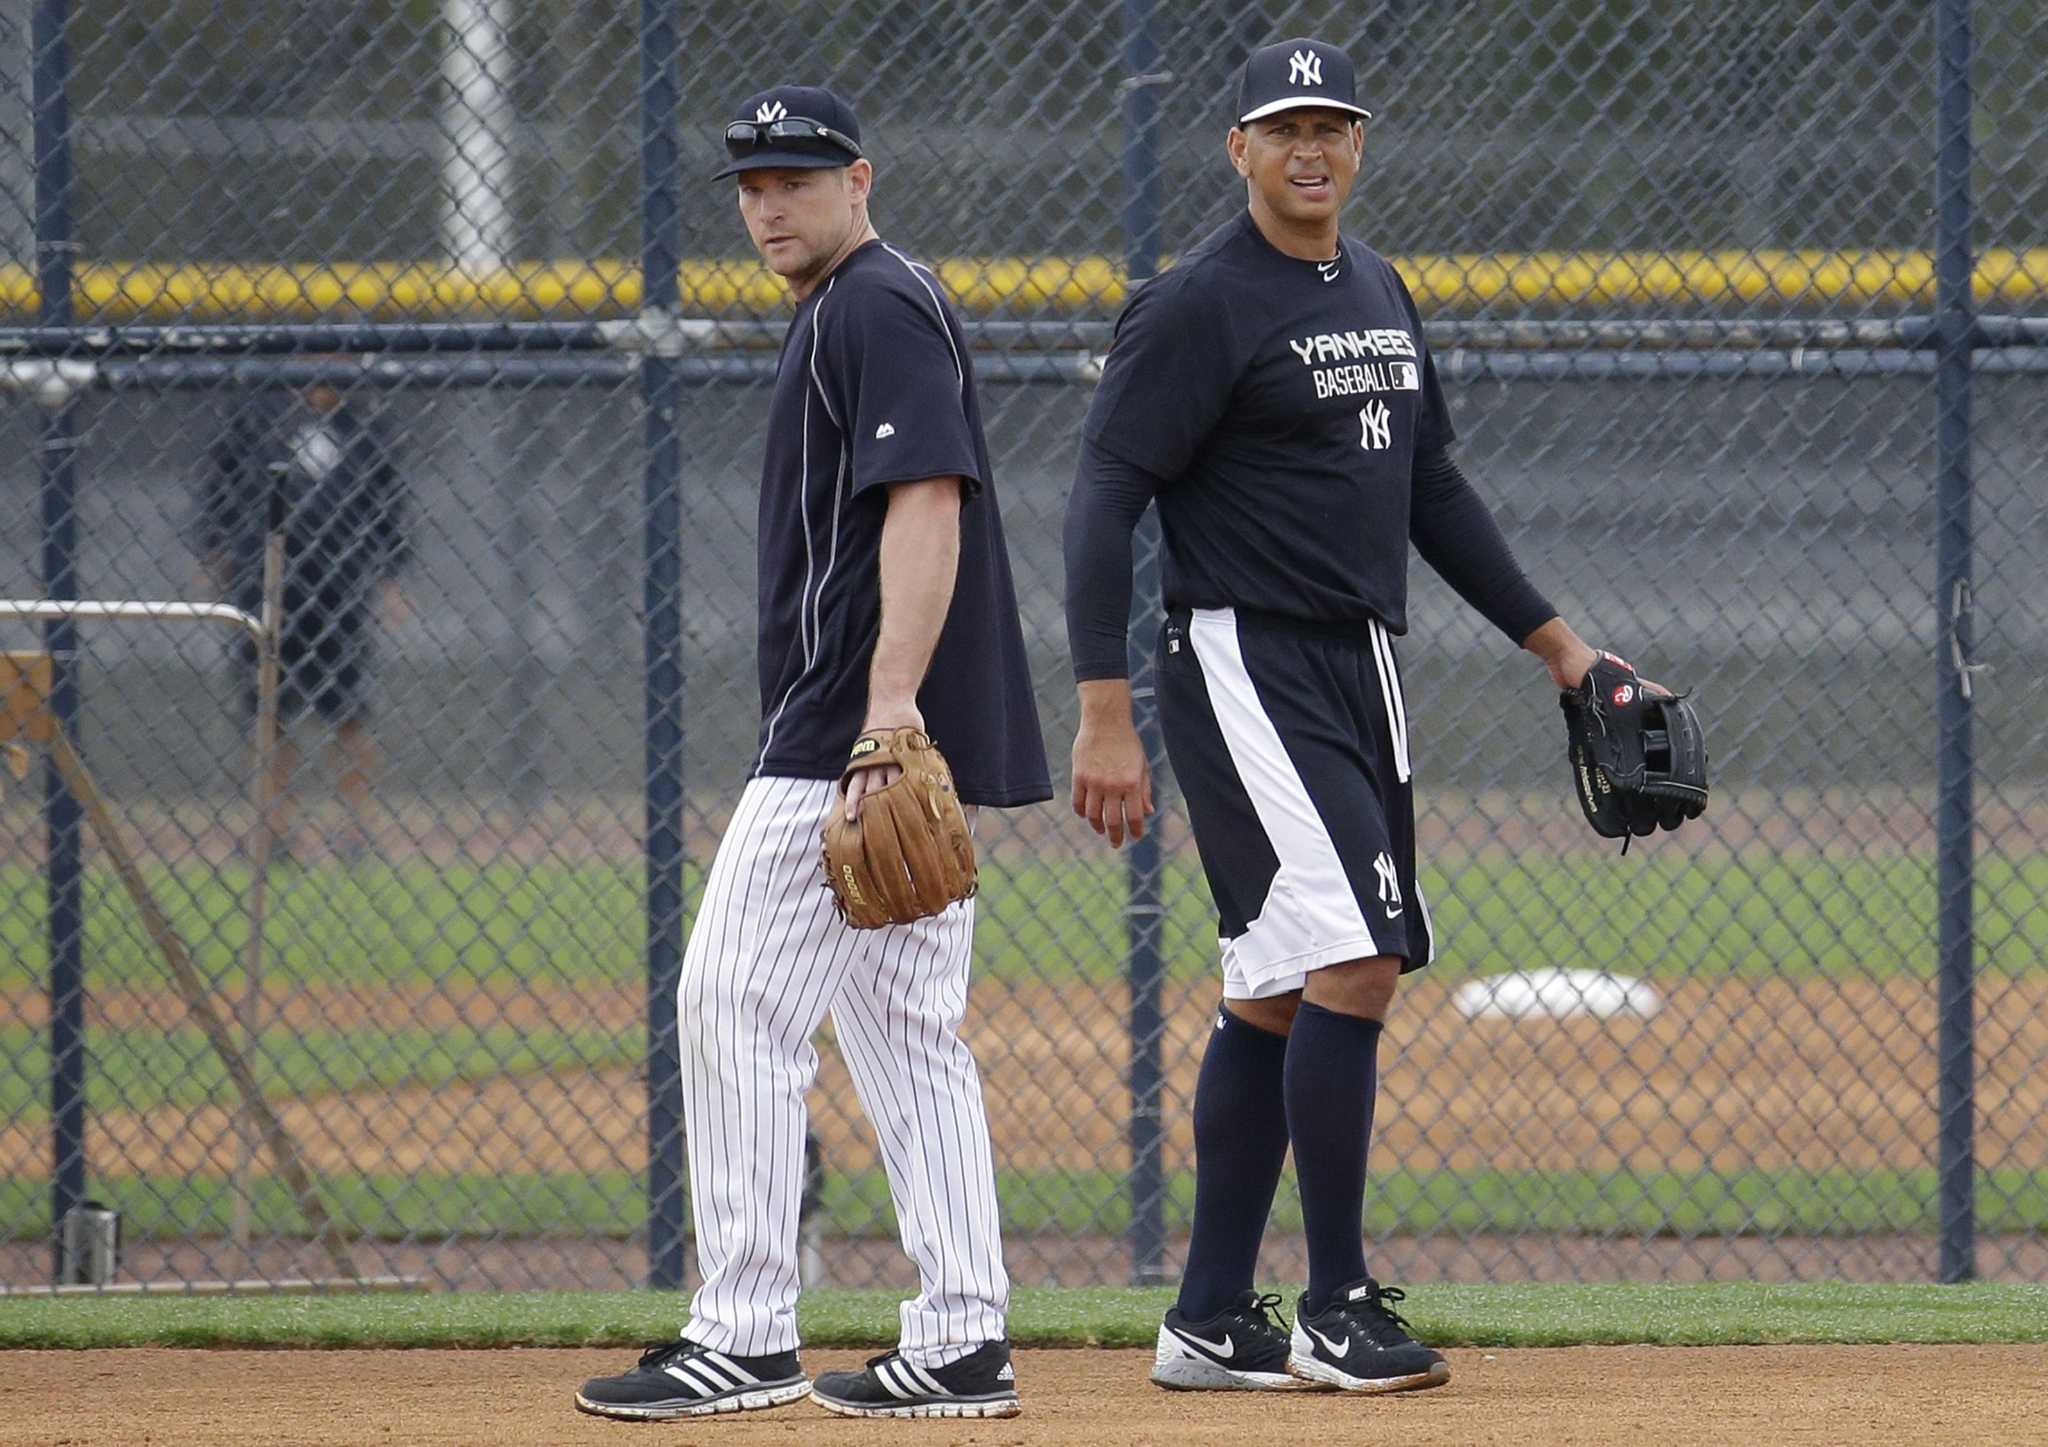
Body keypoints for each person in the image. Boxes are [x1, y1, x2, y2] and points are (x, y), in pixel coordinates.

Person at [1065, 37, 1632, 1394]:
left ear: (1360, 145)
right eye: (1283, 127)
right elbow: (1103, 492)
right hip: (1244, 656)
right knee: (1359, 955)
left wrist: (1562, 651)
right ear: (1239, 150)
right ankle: (1333, 1301)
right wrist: (1102, 710)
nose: (1309, 147)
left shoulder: (1376, 287)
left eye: (1331, 125)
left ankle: (1209, 1316)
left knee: (1275, 984)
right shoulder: (1197, 303)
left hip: (1358, 660)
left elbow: (1430, 488)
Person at [575, 85, 1049, 1423]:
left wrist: (886, 708)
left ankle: (743, 1331)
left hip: (850, 732)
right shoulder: (864, 302)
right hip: (885, 728)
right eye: (751, 184)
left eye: (795, 178)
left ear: (859, 178)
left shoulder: (872, 305)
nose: (769, 204)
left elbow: (927, 501)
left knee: (731, 1003)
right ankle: (962, 1335)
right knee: (905, 1033)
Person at [196, 380, 408, 860]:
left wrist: (391, 577)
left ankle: (356, 831)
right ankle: (273, 829)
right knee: (268, 712)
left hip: (341, 586)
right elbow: (218, 489)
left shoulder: (365, 424)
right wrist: (214, 553)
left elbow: (390, 505)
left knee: (349, 712)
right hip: (265, 581)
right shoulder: (255, 418)